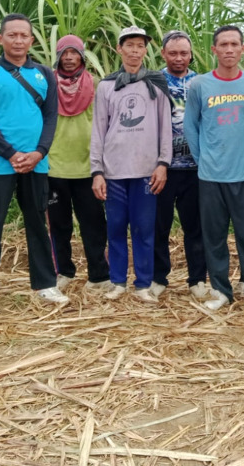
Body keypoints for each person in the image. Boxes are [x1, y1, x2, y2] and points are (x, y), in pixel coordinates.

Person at [0, 14, 69, 319]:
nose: (18, 40)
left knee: (38, 224)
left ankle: (45, 284)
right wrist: (10, 153)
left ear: (32, 41)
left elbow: (51, 117)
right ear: (1, 39)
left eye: (24, 35)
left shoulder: (43, 74)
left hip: (36, 165)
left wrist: (39, 152)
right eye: (11, 35)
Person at [184, 26, 244, 320]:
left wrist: (243, 154)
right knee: (214, 237)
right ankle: (221, 291)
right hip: (211, 177)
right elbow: (191, 127)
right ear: (214, 50)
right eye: (222, 44)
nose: (228, 49)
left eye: (234, 44)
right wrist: (205, 160)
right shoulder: (200, 85)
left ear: (241, 49)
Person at [90, 26, 172, 302]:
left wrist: (163, 163)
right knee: (114, 227)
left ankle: (143, 284)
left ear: (145, 50)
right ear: (119, 49)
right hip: (114, 171)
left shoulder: (157, 84)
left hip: (146, 171)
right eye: (130, 45)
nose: (135, 51)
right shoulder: (106, 86)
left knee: (144, 228)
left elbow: (165, 128)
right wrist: (97, 171)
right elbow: (99, 130)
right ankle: (117, 282)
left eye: (140, 45)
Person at [46, 35, 110, 293]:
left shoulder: (95, 84)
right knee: (58, 225)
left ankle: (99, 276)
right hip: (54, 166)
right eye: (64, 53)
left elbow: (105, 123)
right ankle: (64, 272)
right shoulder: (47, 83)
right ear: (58, 56)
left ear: (82, 56)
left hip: (88, 168)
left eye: (74, 53)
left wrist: (102, 165)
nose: (69, 58)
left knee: (93, 224)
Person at [150, 30, 208, 299]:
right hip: (162, 168)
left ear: (191, 54)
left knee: (195, 226)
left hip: (195, 169)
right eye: (172, 53)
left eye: (184, 53)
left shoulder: (202, 83)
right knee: (159, 225)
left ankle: (197, 279)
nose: (178, 58)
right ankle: (159, 277)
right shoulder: (154, 81)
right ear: (163, 54)